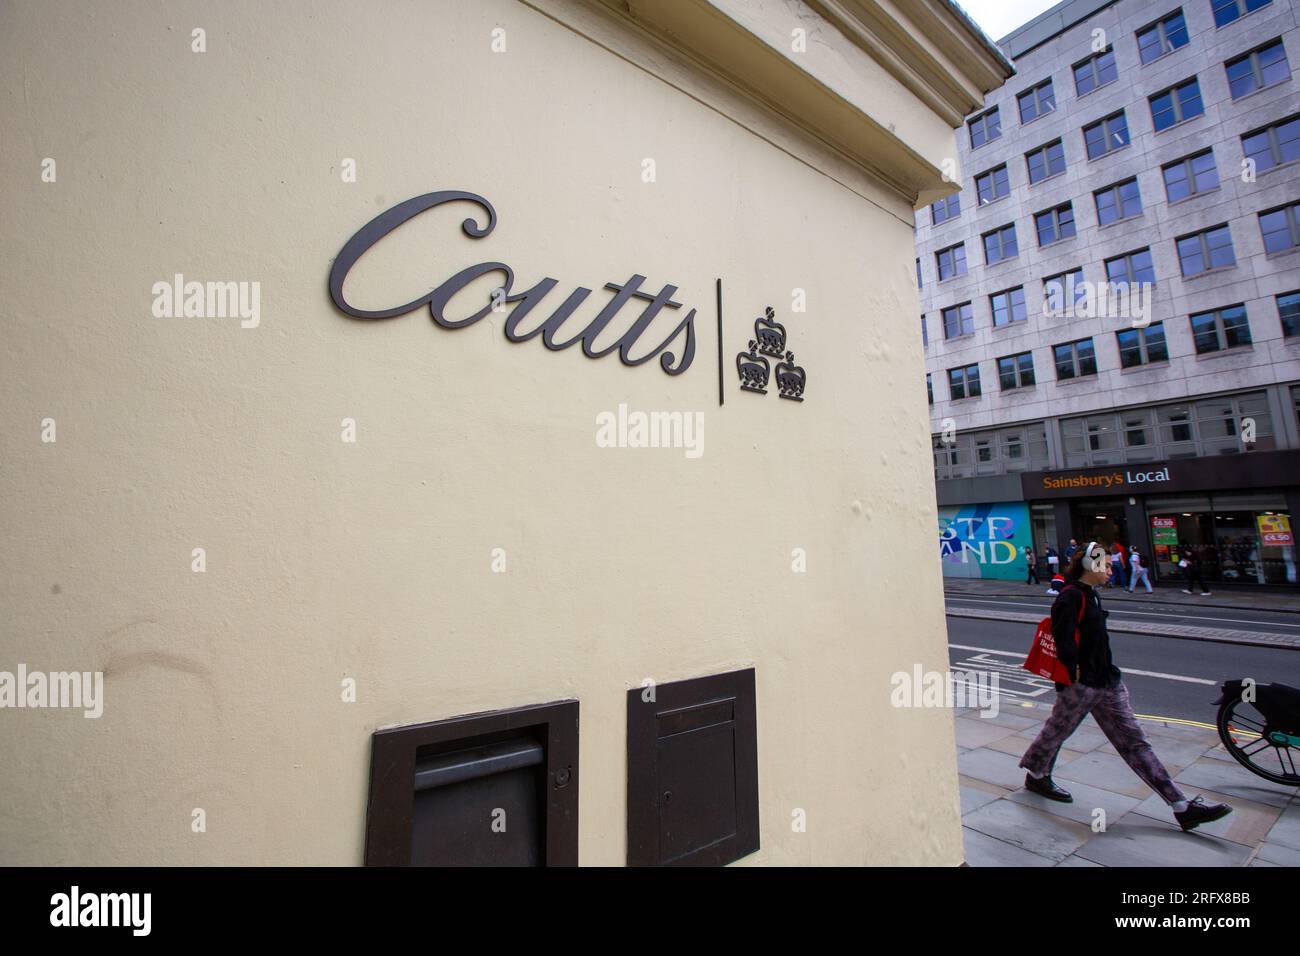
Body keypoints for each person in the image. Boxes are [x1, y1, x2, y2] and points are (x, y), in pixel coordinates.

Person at [1019, 543, 1232, 831]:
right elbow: (1063, 641)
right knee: (1057, 731)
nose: (1110, 570)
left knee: (1133, 742)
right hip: (1082, 686)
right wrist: (1074, 676)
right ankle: (1037, 773)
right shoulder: (1070, 597)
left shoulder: (1092, 595)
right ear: (1090, 567)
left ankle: (1181, 806)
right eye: (1105, 565)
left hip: (1108, 682)